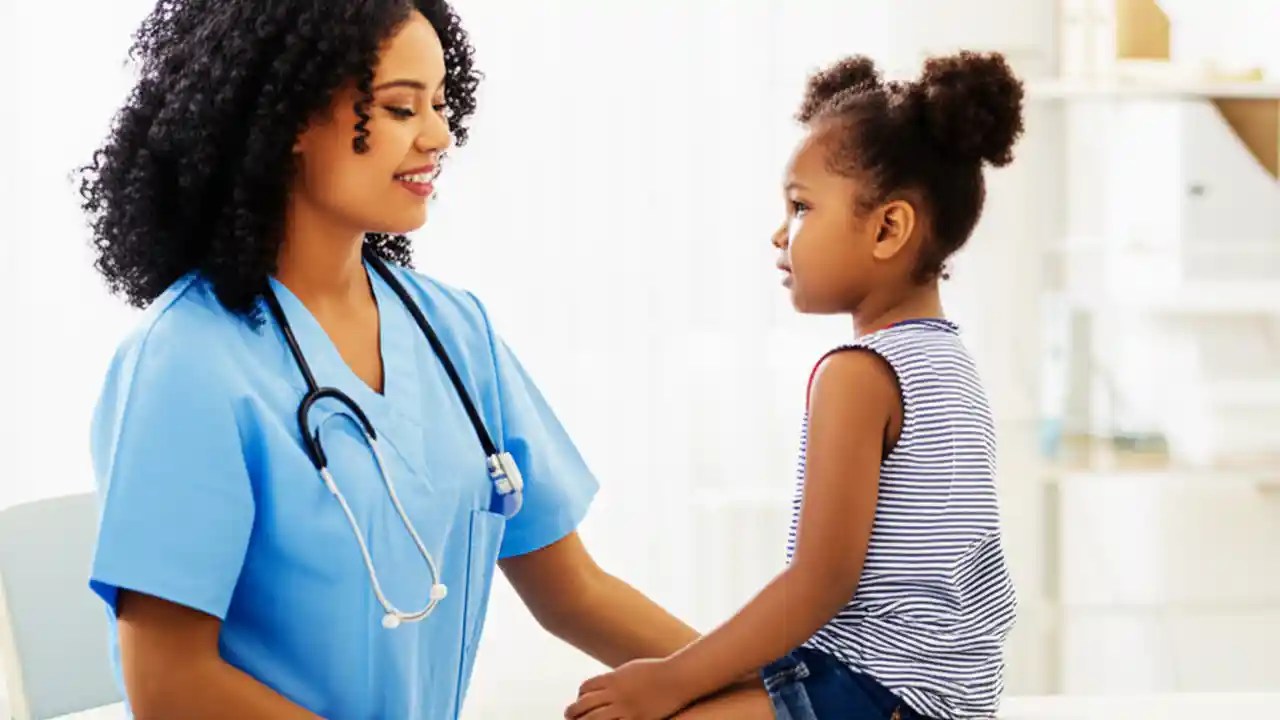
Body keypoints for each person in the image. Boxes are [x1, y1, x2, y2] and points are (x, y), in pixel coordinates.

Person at [79, 2, 701, 718]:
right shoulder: (186, 361)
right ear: (289, 120)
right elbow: (170, 685)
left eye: (440, 103)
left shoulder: (451, 329)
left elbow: (573, 591)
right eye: (402, 107)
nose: (440, 135)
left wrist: (768, 684)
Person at [566, 51, 1024, 720]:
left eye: (801, 207)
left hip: (875, 694)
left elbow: (819, 582)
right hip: (945, 697)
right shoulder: (949, 364)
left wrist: (668, 681)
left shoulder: (858, 373)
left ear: (888, 227)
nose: (781, 234)